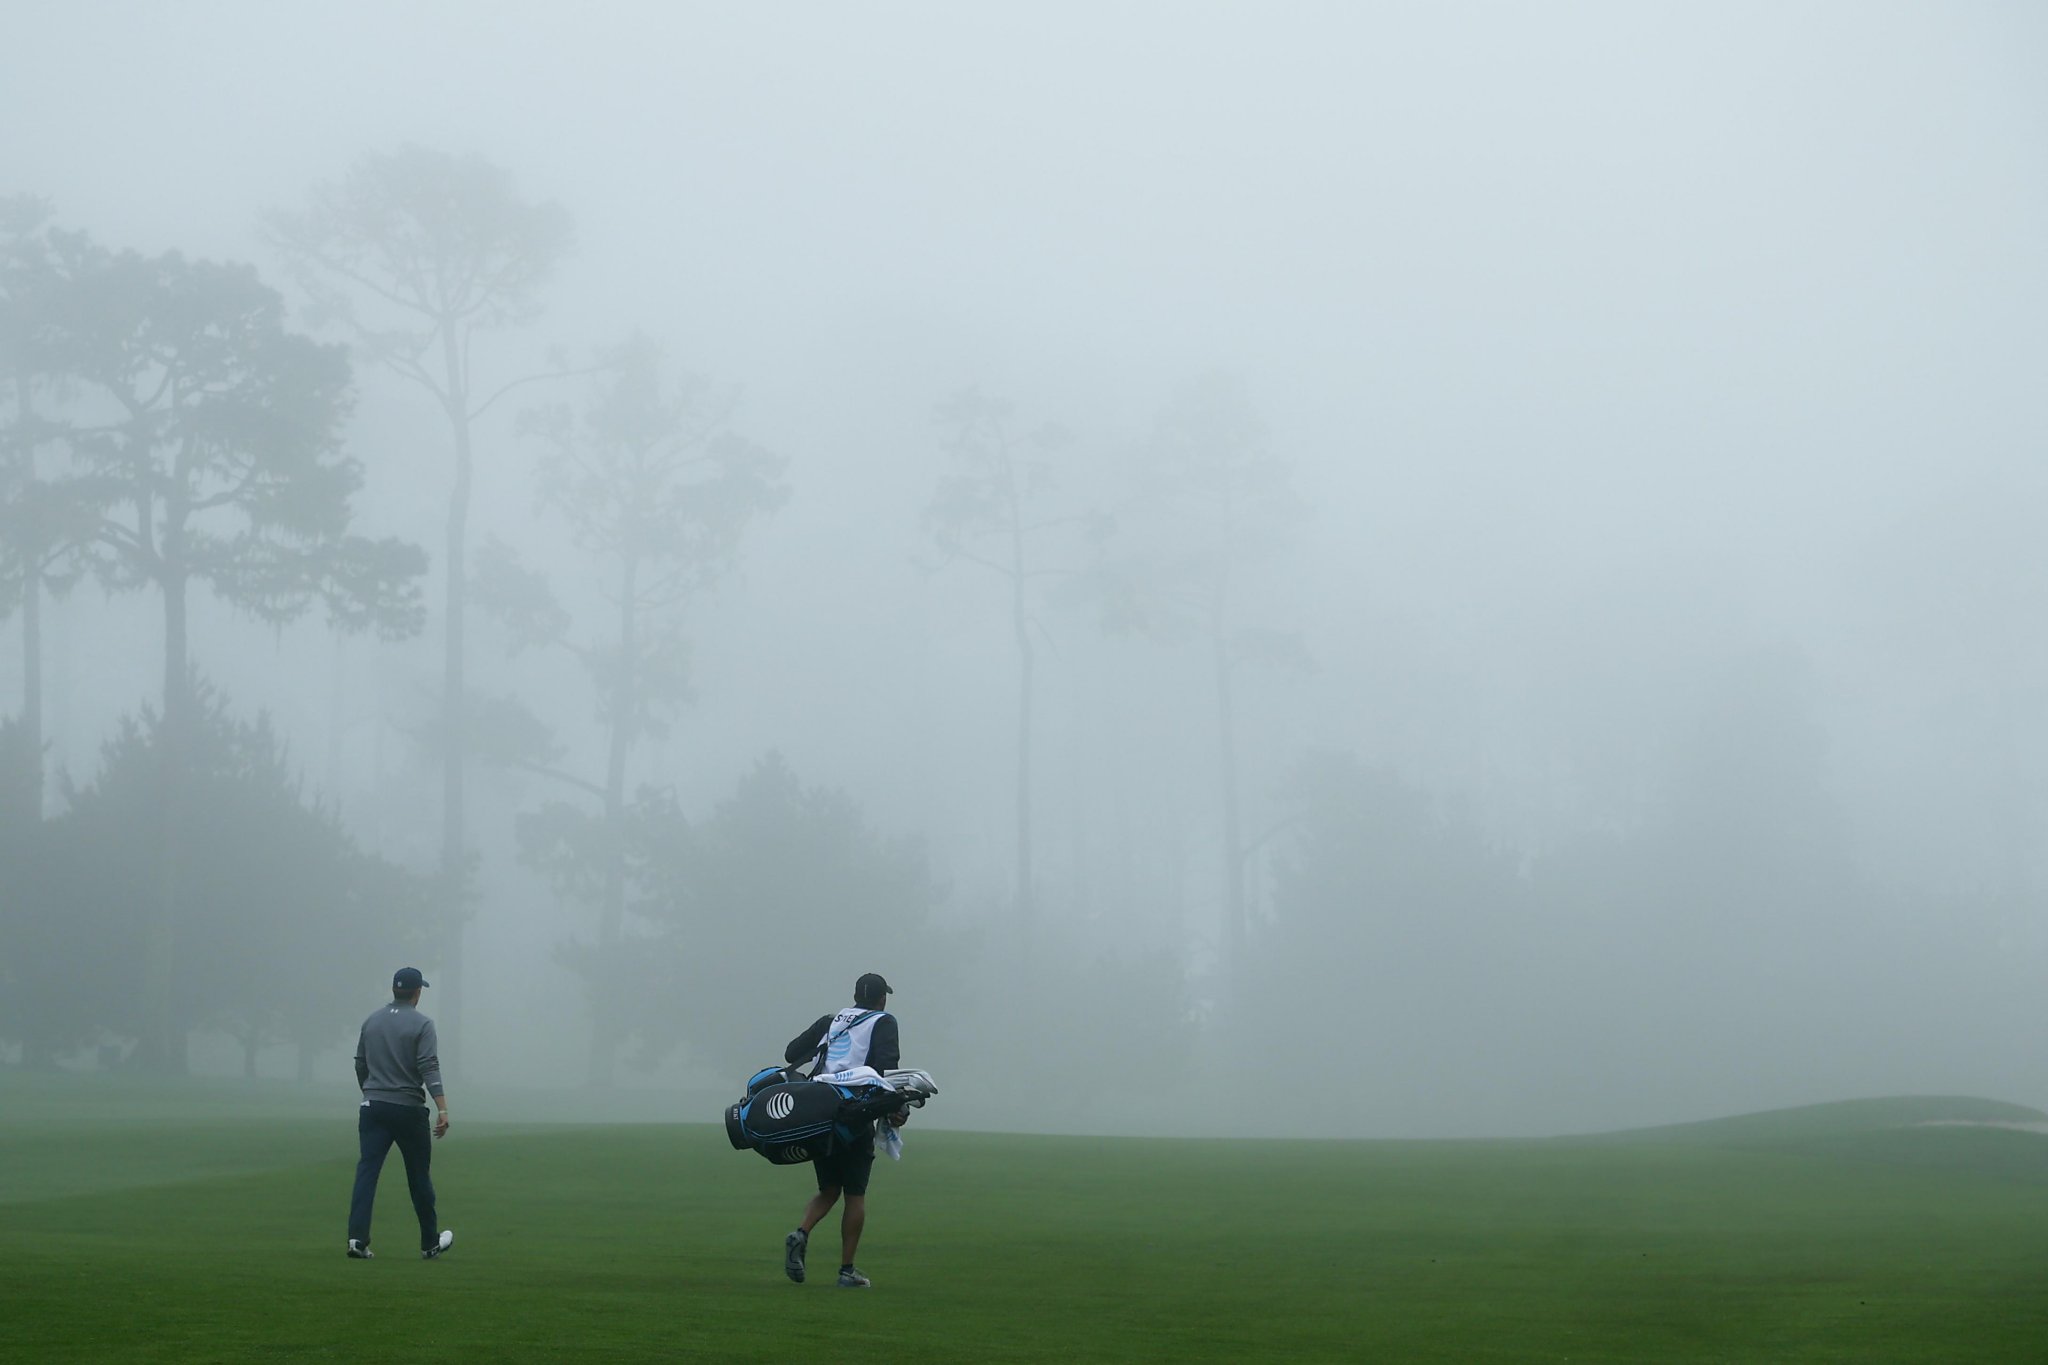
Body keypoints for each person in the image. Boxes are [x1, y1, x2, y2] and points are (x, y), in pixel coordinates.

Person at [781, 971, 906, 1288]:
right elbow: (885, 1069)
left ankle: (801, 1232)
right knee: (855, 1194)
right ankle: (846, 1270)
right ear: (882, 999)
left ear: (855, 996)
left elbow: (792, 1052)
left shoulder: (831, 1021)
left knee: (829, 1189)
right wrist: (895, 1107)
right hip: (855, 1114)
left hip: (819, 1113)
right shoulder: (883, 1022)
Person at [346, 966, 455, 1261]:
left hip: (373, 1107)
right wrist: (442, 1108)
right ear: (417, 993)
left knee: (367, 1172)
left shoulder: (371, 1021)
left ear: (395, 990)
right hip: (408, 1109)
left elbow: (360, 1063)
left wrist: (370, 1091)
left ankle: (357, 1239)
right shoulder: (423, 1024)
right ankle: (429, 1243)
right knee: (418, 1176)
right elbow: (428, 1067)